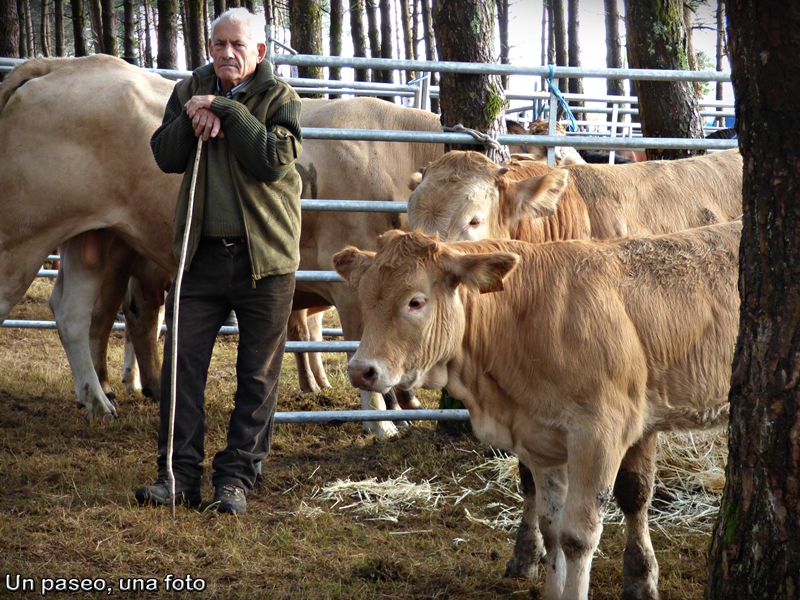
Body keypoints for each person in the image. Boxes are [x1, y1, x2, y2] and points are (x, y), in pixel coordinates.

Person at [135, 7, 303, 515]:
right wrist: (193, 117)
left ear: (260, 51)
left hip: (264, 258)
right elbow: (165, 156)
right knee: (183, 368)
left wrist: (228, 111)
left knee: (257, 377)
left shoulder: (280, 98)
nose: (226, 53)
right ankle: (177, 476)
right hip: (200, 255)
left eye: (237, 45)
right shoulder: (190, 90)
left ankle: (234, 480)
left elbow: (273, 160)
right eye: (217, 44)